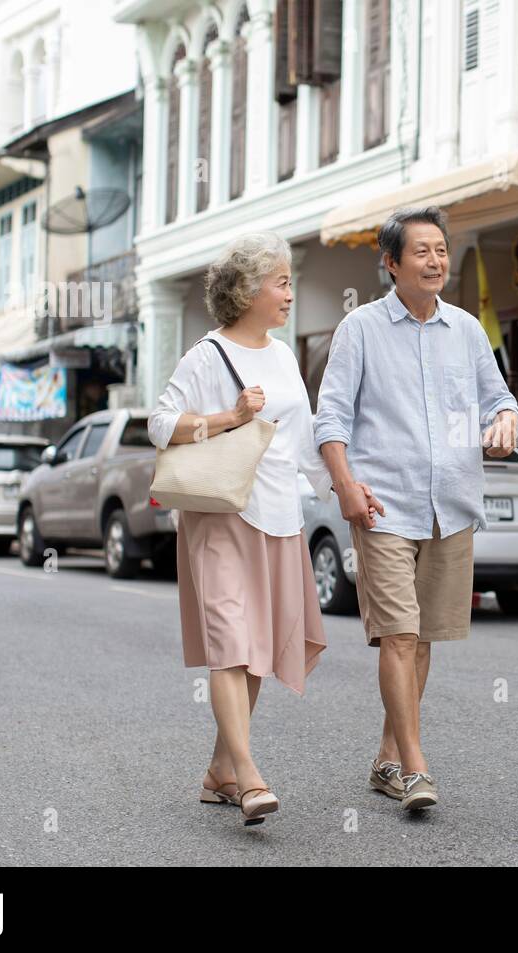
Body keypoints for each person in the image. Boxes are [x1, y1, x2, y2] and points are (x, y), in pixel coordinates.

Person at [148, 232, 373, 826]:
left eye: (290, 282)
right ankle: (248, 778)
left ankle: (221, 769)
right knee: (230, 643)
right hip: (220, 514)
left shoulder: (281, 356)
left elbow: (299, 441)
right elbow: (159, 423)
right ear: (247, 291)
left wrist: (341, 490)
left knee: (255, 655)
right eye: (280, 282)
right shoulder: (205, 355)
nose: (290, 294)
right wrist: (230, 417)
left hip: (278, 515)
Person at [314, 206, 518, 812]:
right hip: (383, 504)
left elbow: (498, 399)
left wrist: (506, 421)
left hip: (449, 505)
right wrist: (344, 483)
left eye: (440, 250)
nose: (434, 261)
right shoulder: (360, 329)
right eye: (421, 251)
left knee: (423, 638)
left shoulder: (467, 330)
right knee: (399, 636)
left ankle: (386, 759)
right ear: (391, 263)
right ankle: (415, 768)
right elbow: (332, 416)